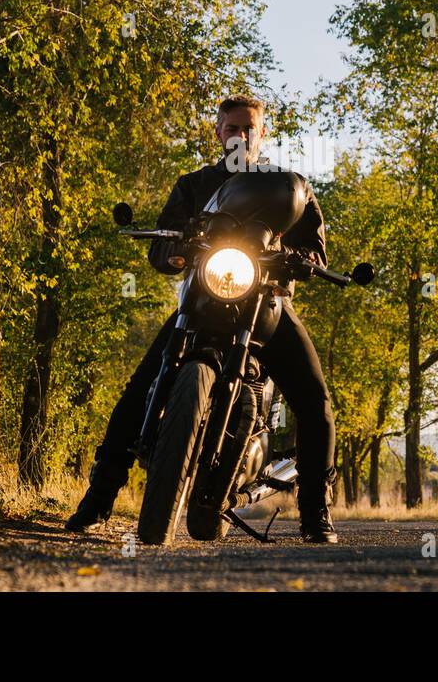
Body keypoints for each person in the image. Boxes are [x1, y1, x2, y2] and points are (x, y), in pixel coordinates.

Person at [65, 95, 339, 543]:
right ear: (218, 132)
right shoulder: (194, 185)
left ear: (262, 133)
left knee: (315, 399)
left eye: (249, 128)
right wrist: (172, 251)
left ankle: (316, 513)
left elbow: (315, 249)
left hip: (265, 299)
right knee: (139, 390)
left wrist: (301, 259)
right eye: (232, 128)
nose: (241, 136)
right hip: (205, 298)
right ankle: (98, 498)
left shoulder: (288, 186)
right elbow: (161, 243)